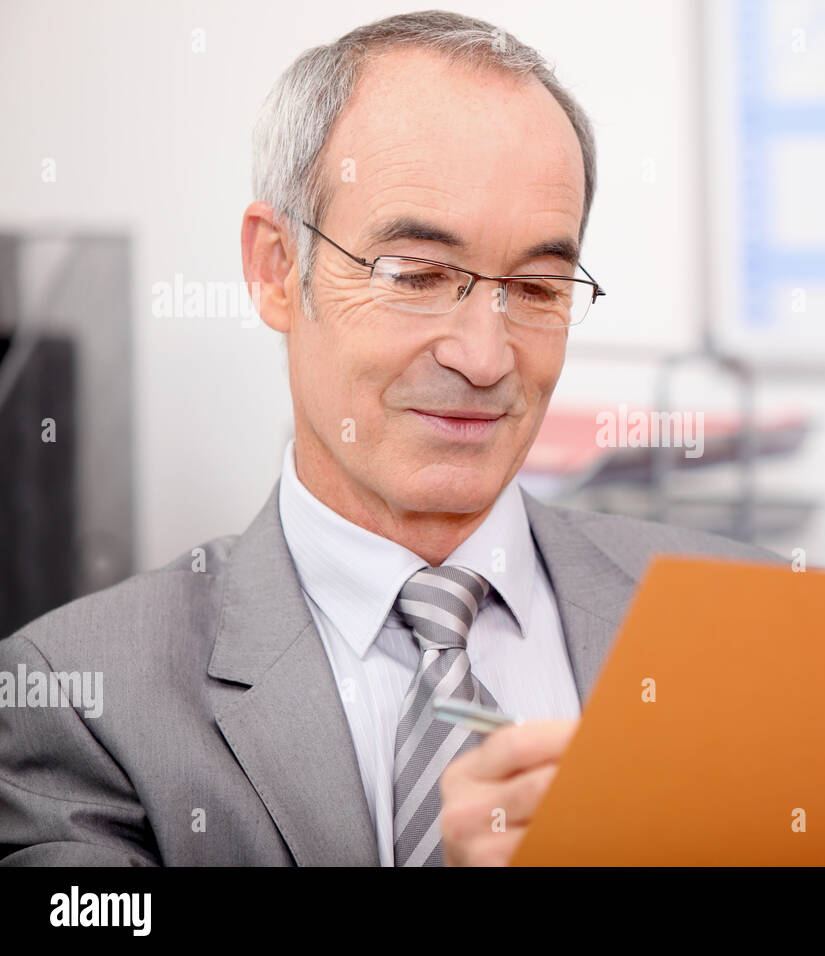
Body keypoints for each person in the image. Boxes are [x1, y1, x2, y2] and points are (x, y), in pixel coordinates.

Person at [0, 9, 776, 866]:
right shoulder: (76, 699)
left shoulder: (762, 626)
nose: (485, 357)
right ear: (276, 269)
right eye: (417, 276)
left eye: (537, 287)